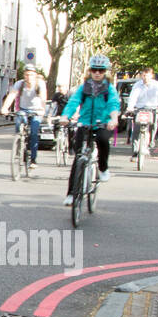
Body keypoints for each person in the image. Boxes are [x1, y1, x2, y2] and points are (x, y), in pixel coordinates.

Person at [59, 55, 121, 206]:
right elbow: (74, 102)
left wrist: (113, 119)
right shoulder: (84, 87)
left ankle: (103, 167)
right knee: (78, 156)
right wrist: (65, 116)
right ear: (90, 71)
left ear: (105, 71)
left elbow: (113, 104)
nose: (97, 73)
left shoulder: (109, 88)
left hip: (103, 123)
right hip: (85, 122)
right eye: (94, 70)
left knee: (102, 139)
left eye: (100, 70)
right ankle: (71, 194)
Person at [0, 65, 47, 172]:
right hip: (23, 109)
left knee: (34, 132)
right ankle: (19, 144)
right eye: (26, 74)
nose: (28, 77)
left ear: (35, 75)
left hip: (36, 110)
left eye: (31, 75)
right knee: (18, 123)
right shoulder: (19, 84)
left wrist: (42, 110)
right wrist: (4, 108)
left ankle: (33, 159)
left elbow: (43, 99)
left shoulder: (40, 84)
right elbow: (11, 96)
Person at [124, 66, 158, 156]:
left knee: (153, 125)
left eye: (147, 75)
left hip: (152, 108)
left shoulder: (157, 85)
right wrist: (130, 108)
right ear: (141, 76)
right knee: (136, 129)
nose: (145, 78)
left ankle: (150, 142)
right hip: (140, 108)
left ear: (151, 76)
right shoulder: (137, 85)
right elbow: (133, 97)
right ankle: (135, 151)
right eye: (143, 75)